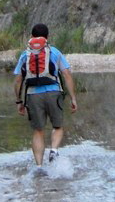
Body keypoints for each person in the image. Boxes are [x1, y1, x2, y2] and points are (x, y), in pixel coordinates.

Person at [13, 23, 78, 167]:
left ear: (31, 36)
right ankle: (54, 150)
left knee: (38, 130)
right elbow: (66, 74)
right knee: (58, 126)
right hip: (54, 93)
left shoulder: (25, 55)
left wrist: (18, 101)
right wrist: (73, 98)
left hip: (33, 95)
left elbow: (18, 80)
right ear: (48, 37)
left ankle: (39, 167)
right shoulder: (54, 52)